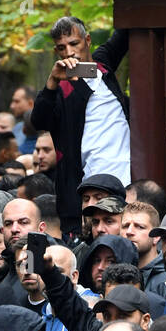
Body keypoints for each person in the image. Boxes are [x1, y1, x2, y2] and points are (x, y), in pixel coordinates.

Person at [31, 17, 130, 237]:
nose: (69, 52)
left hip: (126, 181)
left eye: (74, 43)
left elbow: (123, 34)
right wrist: (52, 83)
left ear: (88, 40)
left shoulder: (103, 66)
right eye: (61, 48)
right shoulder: (60, 88)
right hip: (87, 189)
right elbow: (39, 121)